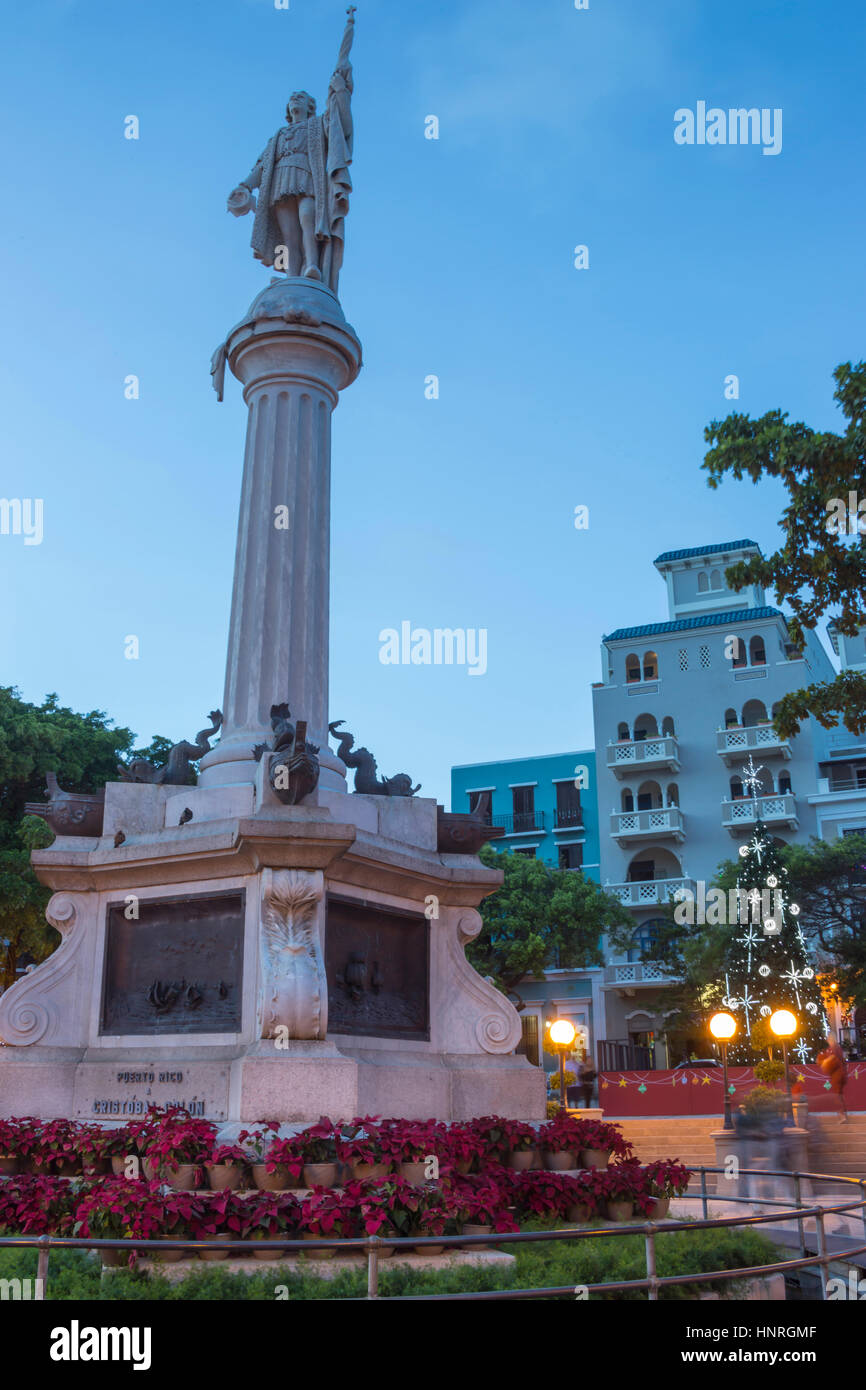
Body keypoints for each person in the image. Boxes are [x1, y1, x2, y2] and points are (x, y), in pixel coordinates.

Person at [817, 1035, 849, 1122]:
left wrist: (825, 1062)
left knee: (837, 1095)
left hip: (837, 1075)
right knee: (839, 1094)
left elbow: (833, 1058)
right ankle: (843, 1114)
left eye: (829, 1040)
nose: (828, 1041)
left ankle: (842, 1115)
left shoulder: (834, 1049)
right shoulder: (837, 1049)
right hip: (841, 1074)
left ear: (832, 1040)